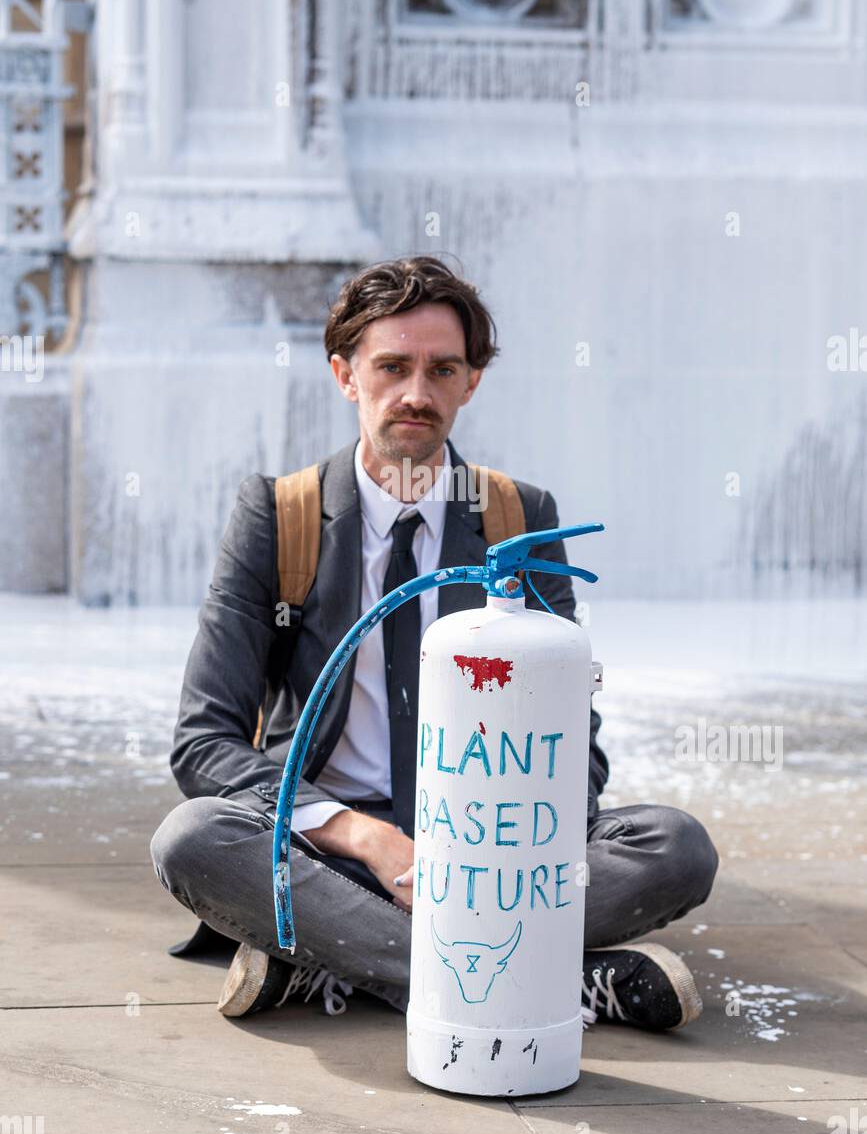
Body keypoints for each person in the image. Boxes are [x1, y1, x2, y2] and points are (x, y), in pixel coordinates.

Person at [150, 255, 719, 1032]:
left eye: (441, 369)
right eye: (391, 367)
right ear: (345, 374)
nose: (415, 394)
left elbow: (571, 741)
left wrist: (507, 851)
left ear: (470, 382)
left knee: (674, 846)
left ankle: (332, 967)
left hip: (487, 844)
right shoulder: (278, 514)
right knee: (192, 838)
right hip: (334, 853)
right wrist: (367, 838)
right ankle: (558, 981)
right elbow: (202, 742)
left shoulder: (520, 519)